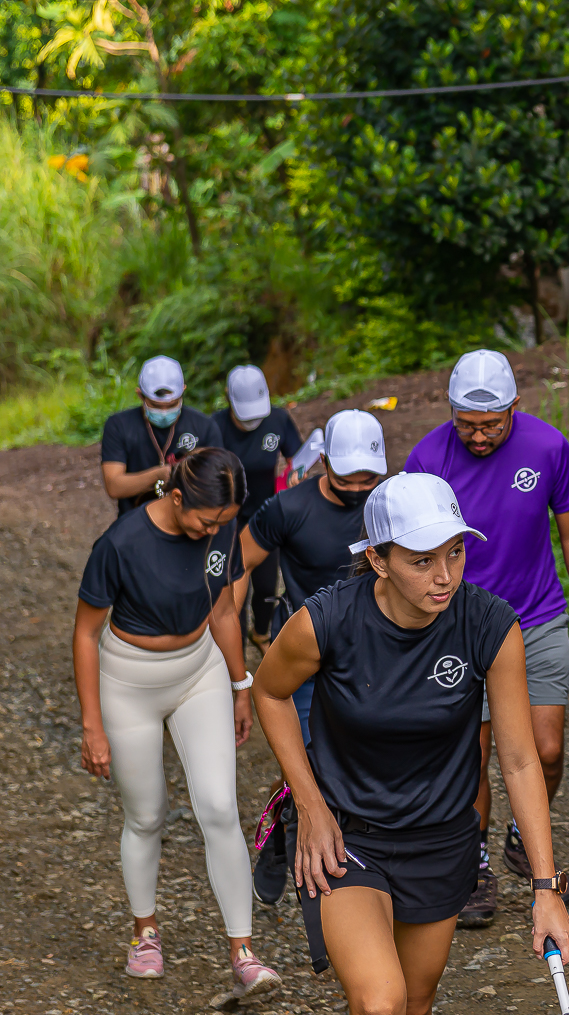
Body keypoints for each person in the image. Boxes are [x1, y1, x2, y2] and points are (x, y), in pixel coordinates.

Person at [251, 472, 569, 1014]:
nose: (444, 576)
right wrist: (309, 804)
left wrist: (545, 888)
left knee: (416, 1002)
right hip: (349, 838)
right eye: (422, 561)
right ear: (379, 560)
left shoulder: (489, 626)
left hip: (441, 842)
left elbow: (518, 762)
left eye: (455, 553)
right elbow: (269, 692)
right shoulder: (328, 620)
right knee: (381, 1002)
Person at [404, 348, 569, 926]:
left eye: (492, 425)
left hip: (536, 618)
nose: (480, 436)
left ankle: (525, 825)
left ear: (517, 406)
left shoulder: (547, 447)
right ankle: (475, 861)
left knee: (546, 750)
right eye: (467, 424)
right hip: (457, 623)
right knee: (471, 757)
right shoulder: (427, 457)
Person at [72, 446, 281, 996]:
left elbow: (224, 612)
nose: (214, 530)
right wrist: (92, 724)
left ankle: (243, 951)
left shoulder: (220, 531)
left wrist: (241, 686)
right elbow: (85, 634)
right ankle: (145, 933)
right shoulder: (120, 545)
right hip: (129, 683)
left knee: (218, 808)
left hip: (199, 672)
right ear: (177, 496)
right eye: (207, 520)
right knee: (146, 815)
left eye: (225, 522)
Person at [237, 409, 387, 906]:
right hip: (302, 656)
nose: (360, 488)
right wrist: (229, 641)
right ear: (323, 461)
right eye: (349, 478)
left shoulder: (390, 506)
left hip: (371, 653)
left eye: (370, 478)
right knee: (305, 757)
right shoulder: (288, 508)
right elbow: (239, 565)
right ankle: (283, 829)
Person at [213, 364, 302, 647]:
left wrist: (295, 476)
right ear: (228, 398)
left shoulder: (278, 420)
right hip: (226, 519)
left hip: (265, 516)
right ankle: (233, 649)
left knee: (266, 585)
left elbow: (297, 458)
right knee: (233, 585)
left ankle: (260, 633)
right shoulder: (213, 427)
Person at [101, 355, 223, 515]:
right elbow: (114, 486)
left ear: (183, 392)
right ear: (140, 395)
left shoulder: (204, 426)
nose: (164, 412)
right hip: (135, 519)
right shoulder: (119, 425)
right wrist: (158, 474)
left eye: (172, 404)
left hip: (187, 519)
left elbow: (218, 481)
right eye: (155, 406)